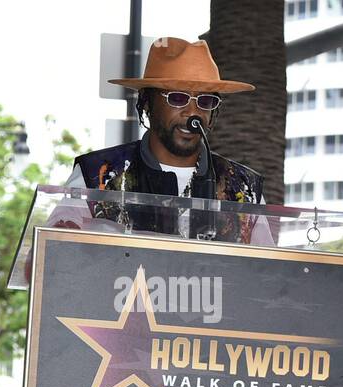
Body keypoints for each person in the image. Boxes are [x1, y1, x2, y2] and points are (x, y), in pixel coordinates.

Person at [61, 39, 264, 242]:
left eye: (205, 101)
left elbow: (271, 271)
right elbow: (49, 257)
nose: (192, 112)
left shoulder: (244, 187)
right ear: (147, 102)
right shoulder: (96, 176)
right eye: (177, 98)